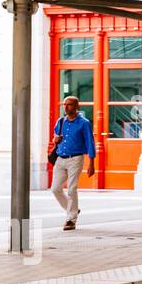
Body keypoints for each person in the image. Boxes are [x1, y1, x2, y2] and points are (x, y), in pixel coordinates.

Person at [50, 95, 95, 231]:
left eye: (69, 104)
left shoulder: (84, 123)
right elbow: (55, 137)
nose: (66, 107)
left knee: (71, 189)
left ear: (77, 107)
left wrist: (91, 163)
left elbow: (90, 143)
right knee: (55, 189)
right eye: (64, 104)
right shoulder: (61, 121)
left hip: (75, 159)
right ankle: (73, 209)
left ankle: (71, 219)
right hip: (60, 158)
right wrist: (55, 139)